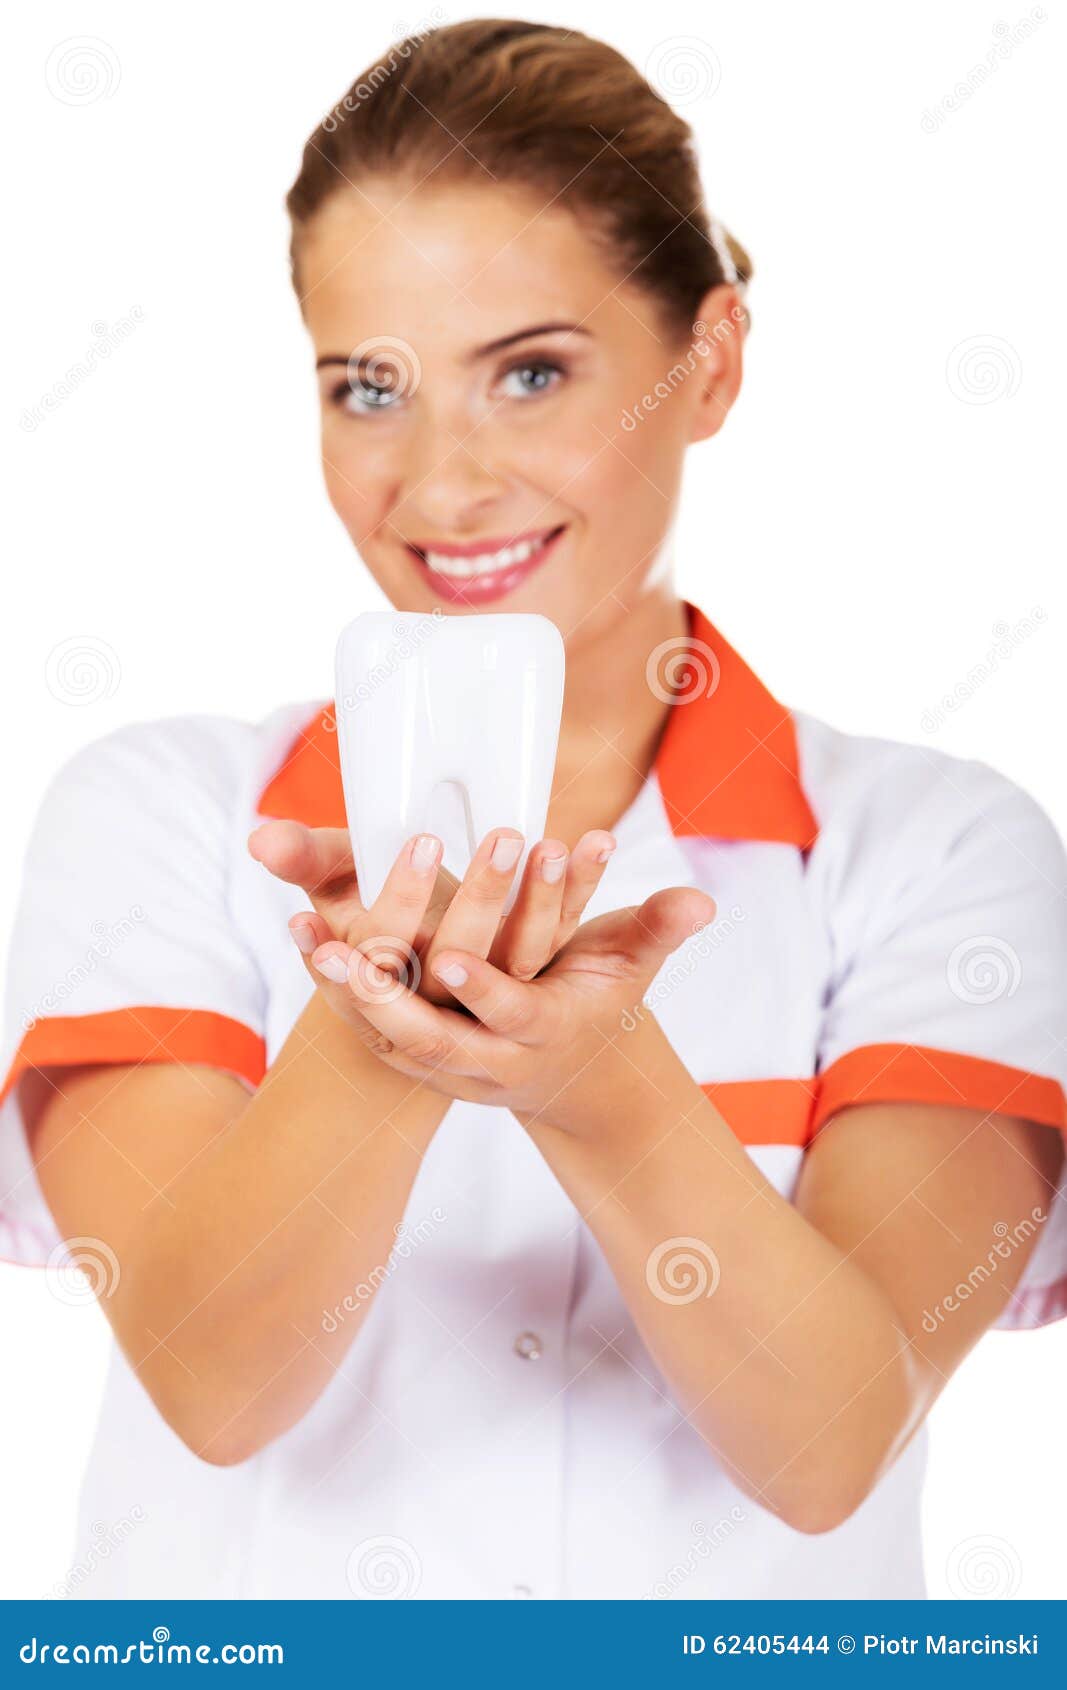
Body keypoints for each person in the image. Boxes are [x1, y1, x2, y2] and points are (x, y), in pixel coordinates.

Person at [2, 18, 1065, 1601]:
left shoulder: (941, 851)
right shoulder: (155, 815)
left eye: (533, 373)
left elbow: (835, 1443)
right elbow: (213, 1382)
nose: (439, 487)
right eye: (370, 387)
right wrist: (382, 1031)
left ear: (708, 364)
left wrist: (602, 1083)